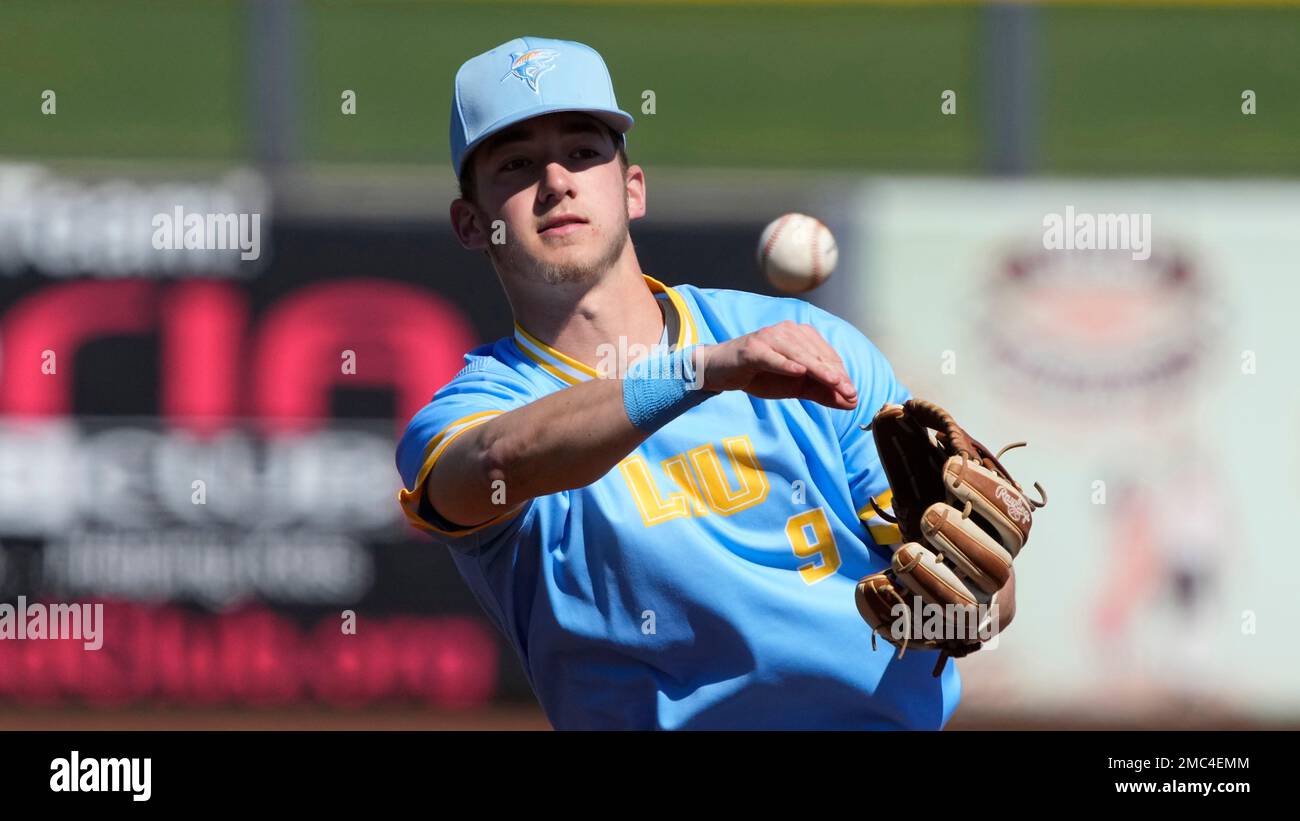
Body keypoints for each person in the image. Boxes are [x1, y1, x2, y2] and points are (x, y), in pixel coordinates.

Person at [396, 36, 1012, 729]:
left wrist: (978, 593)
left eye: (583, 151)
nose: (557, 181)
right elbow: (496, 461)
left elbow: (970, 590)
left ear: (633, 189)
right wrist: (700, 371)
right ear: (471, 224)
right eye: (515, 163)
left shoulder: (808, 345)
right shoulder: (477, 410)